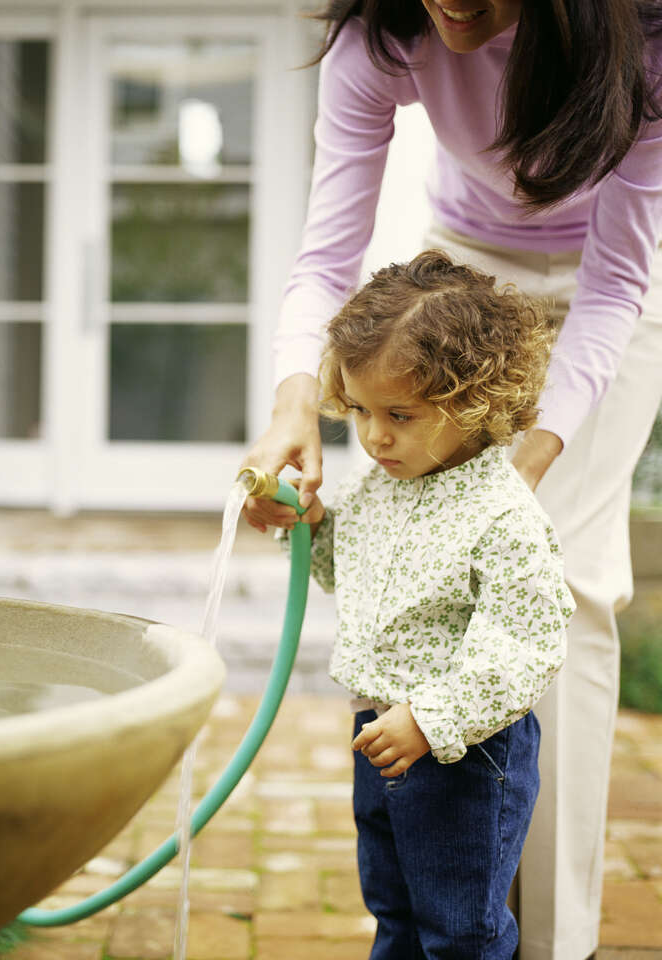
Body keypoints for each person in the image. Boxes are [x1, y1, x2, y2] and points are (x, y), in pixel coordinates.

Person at [242, 4, 662, 958]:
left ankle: (554, 939)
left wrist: (531, 457)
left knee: (568, 580)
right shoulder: (385, 31)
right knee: (411, 537)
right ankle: (435, 898)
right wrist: (293, 405)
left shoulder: (644, 41)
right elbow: (327, 252)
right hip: (461, 278)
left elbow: (614, 285)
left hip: (614, 293)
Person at [282, 248, 575, 959]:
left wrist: (431, 717)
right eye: (359, 411)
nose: (375, 436)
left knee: (461, 928)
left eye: (400, 415)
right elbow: (345, 575)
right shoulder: (383, 484)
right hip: (382, 738)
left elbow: (526, 643)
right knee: (396, 911)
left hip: (465, 757)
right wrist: (312, 524)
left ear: (475, 399)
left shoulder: (501, 511)